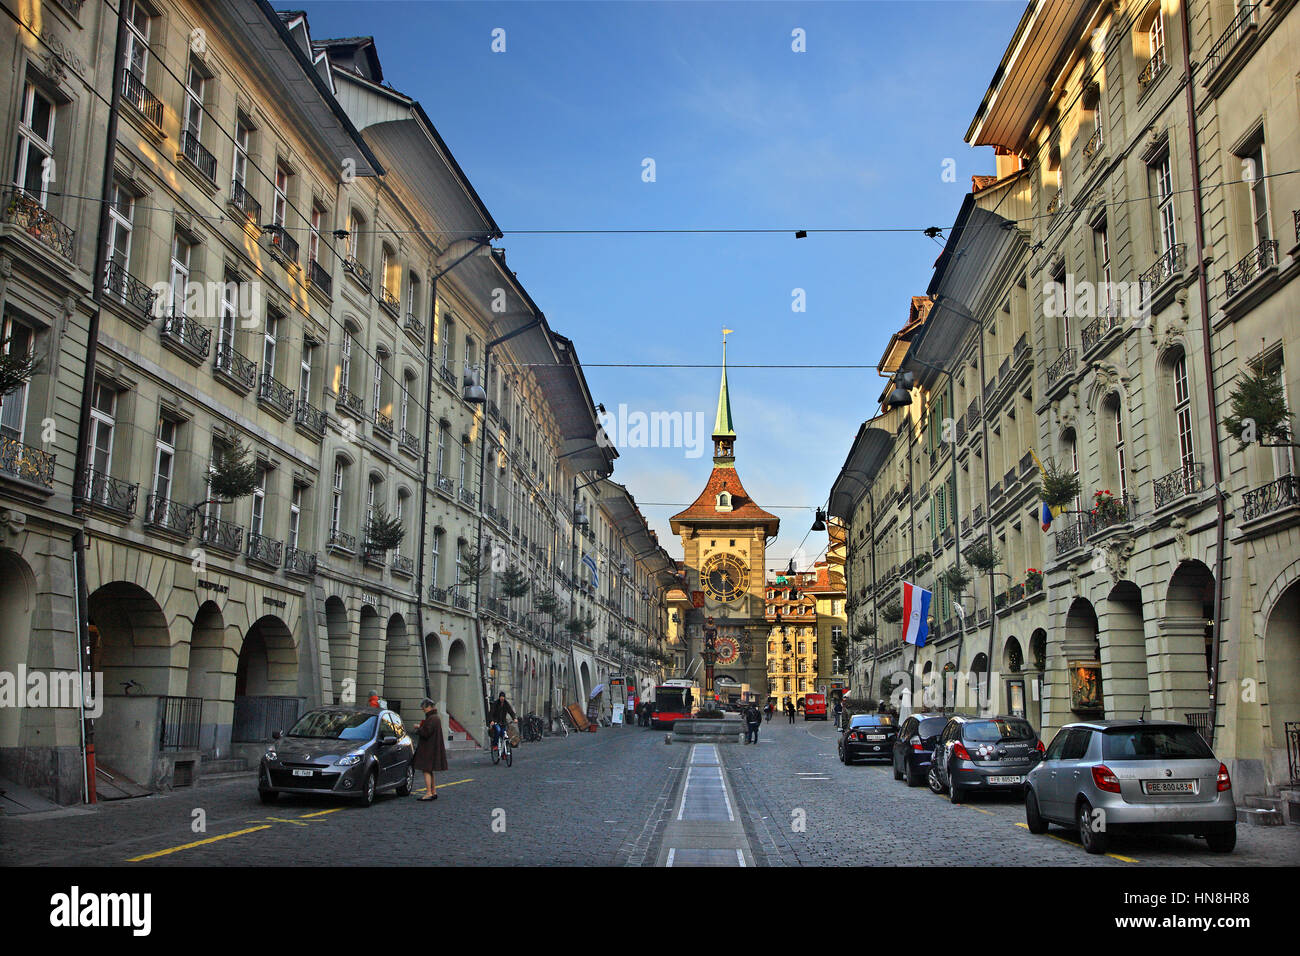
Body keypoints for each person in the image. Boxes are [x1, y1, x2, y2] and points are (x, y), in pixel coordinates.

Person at [411, 699, 448, 800]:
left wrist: (418, 729)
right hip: (432, 748)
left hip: (428, 748)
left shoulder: (432, 718)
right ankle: (433, 791)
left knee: (426, 770)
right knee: (429, 770)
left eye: (424, 708)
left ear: (428, 707)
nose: (423, 710)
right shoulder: (435, 718)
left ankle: (428, 792)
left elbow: (426, 733)